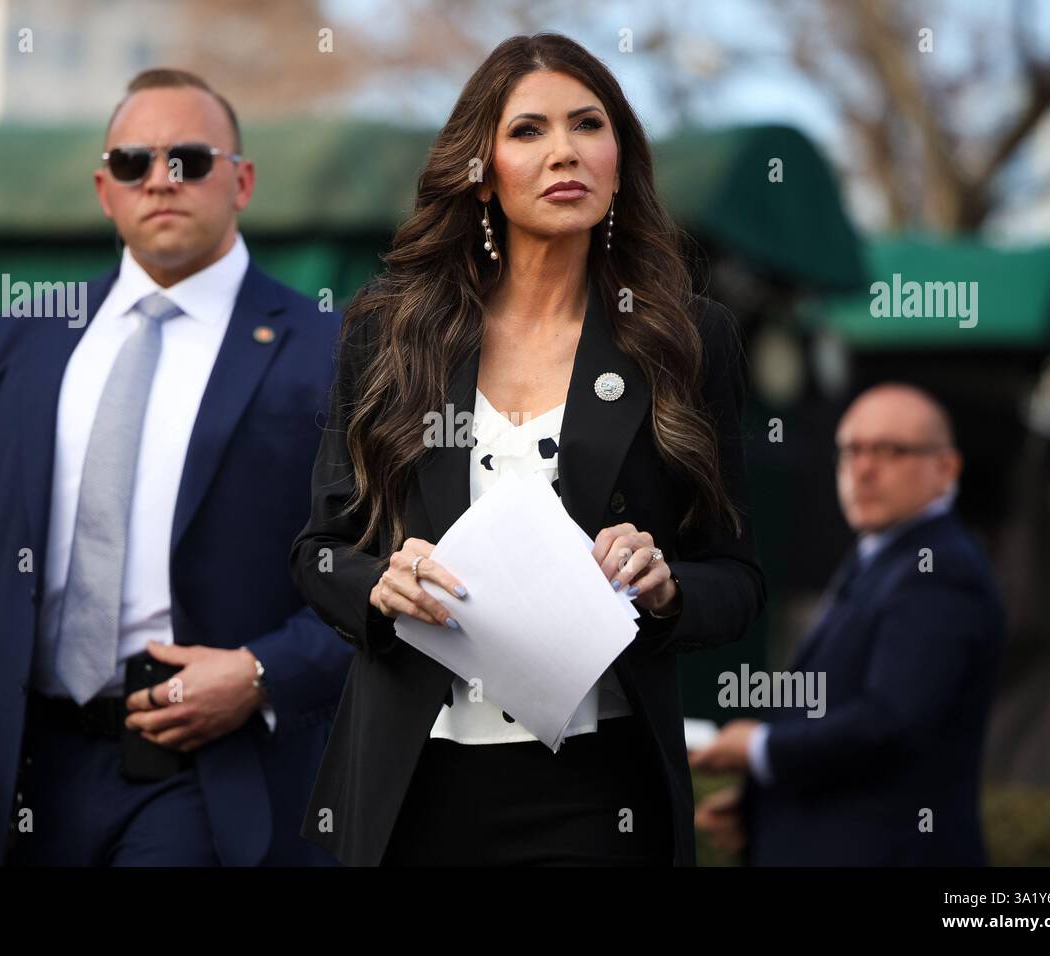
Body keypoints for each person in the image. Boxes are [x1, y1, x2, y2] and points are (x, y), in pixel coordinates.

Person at [0, 68, 353, 866]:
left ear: (242, 181)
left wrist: (263, 673)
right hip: (18, 767)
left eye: (188, 159)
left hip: (212, 774)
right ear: (103, 188)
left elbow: (380, 563)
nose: (159, 179)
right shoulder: (15, 342)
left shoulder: (330, 349)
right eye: (132, 163)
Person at [289, 33, 765, 866]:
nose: (564, 152)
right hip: (413, 785)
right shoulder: (390, 329)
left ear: (620, 157)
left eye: (588, 125)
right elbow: (320, 553)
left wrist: (666, 586)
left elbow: (738, 581)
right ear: (481, 167)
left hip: (603, 794)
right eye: (528, 131)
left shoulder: (689, 338)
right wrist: (382, 586)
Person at [691, 383, 1005, 865]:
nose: (863, 468)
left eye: (890, 451)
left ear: (946, 469)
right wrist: (765, 808)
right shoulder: (883, 556)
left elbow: (889, 723)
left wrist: (761, 748)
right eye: (851, 450)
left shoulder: (937, 568)